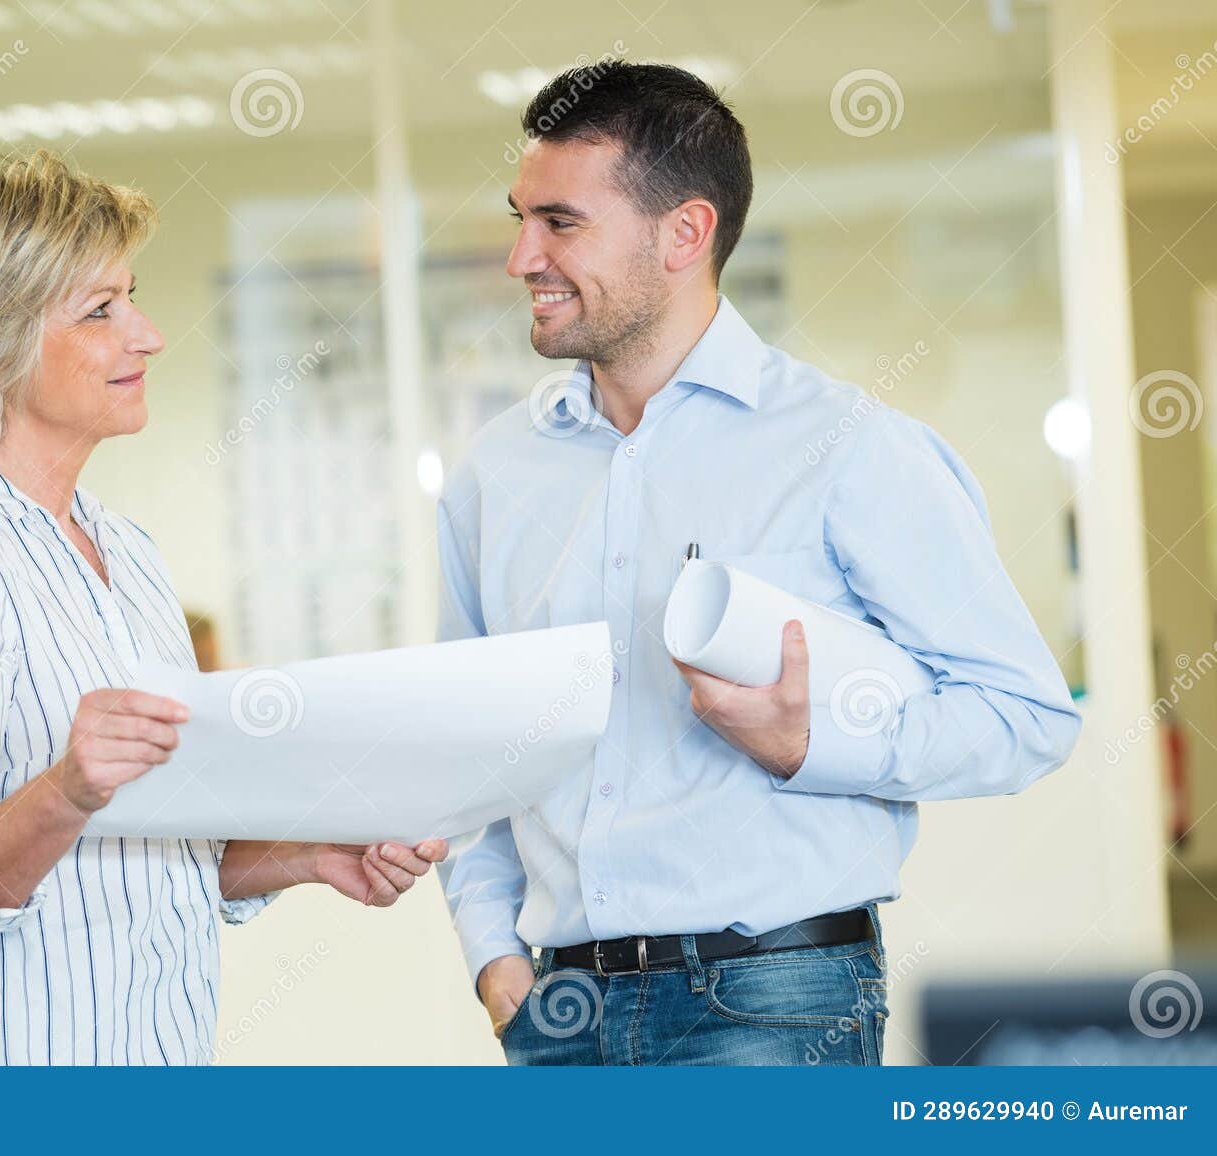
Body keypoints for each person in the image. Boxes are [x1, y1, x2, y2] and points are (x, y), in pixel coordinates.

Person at [436, 62, 1080, 1066]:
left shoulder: (847, 447)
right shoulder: (496, 473)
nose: (523, 257)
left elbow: (1026, 715)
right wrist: (494, 960)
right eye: (522, 219)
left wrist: (815, 740)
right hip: (556, 1013)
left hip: (771, 1003)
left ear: (684, 233)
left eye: (560, 223)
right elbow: (471, 748)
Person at [0, 149, 445, 1065]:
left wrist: (312, 853)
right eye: (101, 310)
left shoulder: (124, 553)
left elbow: (143, 859)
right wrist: (66, 788)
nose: (148, 335)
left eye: (132, 298)